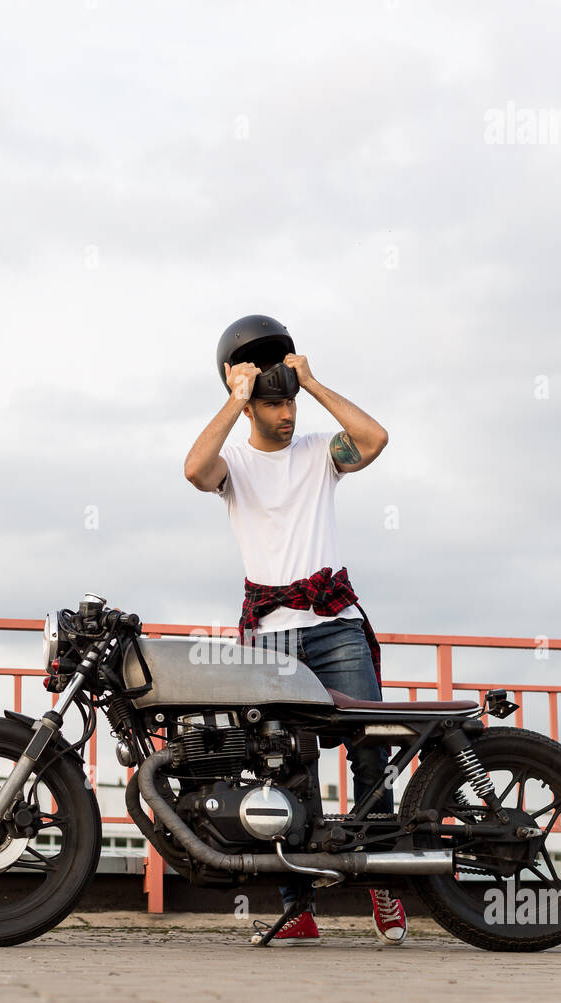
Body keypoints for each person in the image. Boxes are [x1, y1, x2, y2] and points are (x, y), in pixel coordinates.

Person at [184, 314, 407, 948]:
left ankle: (383, 885)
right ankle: (297, 906)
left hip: (333, 627)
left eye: (291, 402)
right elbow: (194, 469)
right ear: (252, 405)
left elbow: (375, 437)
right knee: (283, 769)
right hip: (270, 637)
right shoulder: (233, 464)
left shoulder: (319, 455)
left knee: (371, 750)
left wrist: (314, 380)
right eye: (274, 402)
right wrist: (235, 398)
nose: (287, 413)